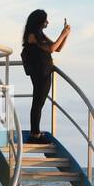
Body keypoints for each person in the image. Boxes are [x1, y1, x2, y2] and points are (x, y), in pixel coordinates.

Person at [19, 9, 70, 141]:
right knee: (38, 101)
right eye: (45, 20)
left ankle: (35, 132)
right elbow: (51, 48)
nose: (47, 22)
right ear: (39, 22)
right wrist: (62, 34)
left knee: (39, 101)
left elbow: (57, 48)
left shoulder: (39, 34)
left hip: (44, 71)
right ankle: (35, 133)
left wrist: (65, 35)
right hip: (40, 72)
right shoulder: (33, 35)